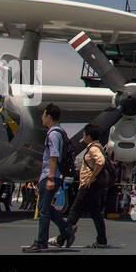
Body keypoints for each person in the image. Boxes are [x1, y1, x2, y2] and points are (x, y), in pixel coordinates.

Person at [23, 103, 71, 252]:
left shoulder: (53, 133)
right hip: (51, 174)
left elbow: (54, 155)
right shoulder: (57, 132)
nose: (42, 118)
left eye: (43, 115)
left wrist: (50, 178)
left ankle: (41, 242)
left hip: (51, 175)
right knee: (44, 207)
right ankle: (66, 229)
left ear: (49, 116)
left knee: (43, 211)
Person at [60, 123, 109, 249]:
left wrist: (91, 178)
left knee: (74, 210)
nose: (82, 136)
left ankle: (63, 237)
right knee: (96, 212)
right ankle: (102, 240)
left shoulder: (93, 148)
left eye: (84, 134)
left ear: (89, 136)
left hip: (88, 185)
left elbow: (100, 162)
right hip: (95, 185)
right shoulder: (98, 146)